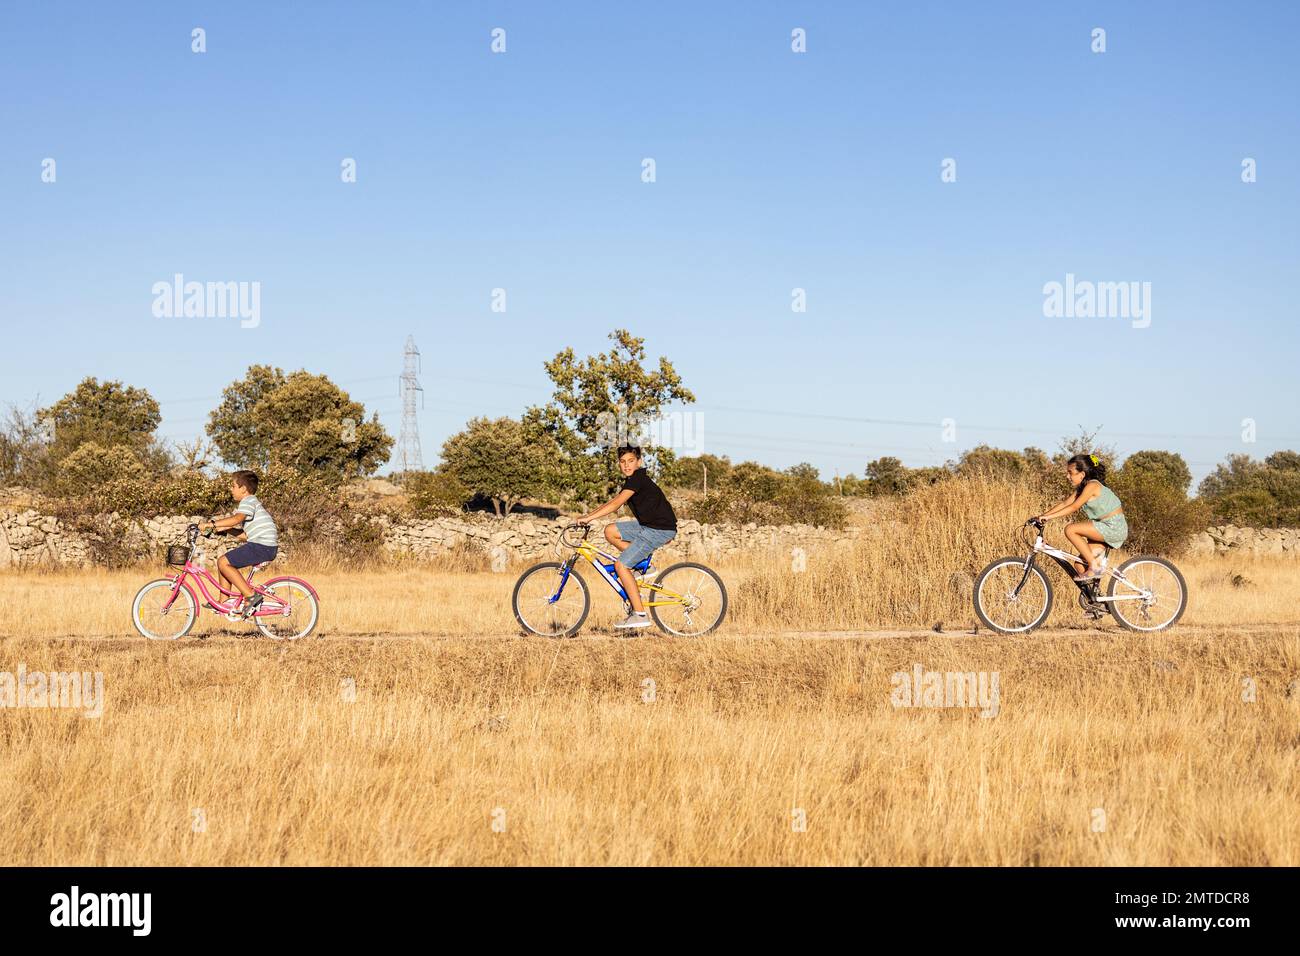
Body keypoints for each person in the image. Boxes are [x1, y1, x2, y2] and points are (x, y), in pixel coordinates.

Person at [575, 445, 678, 630]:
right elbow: (611, 502)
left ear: (638, 462)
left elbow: (615, 504)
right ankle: (643, 566)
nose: (627, 465)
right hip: (648, 526)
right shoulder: (632, 480)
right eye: (623, 462)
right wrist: (588, 515)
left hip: (659, 529)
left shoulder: (638, 478)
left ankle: (639, 615)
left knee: (621, 565)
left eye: (631, 461)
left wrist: (588, 518)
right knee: (610, 531)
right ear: (619, 464)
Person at [199, 470, 279, 618]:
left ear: (243, 489)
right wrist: (227, 529)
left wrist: (211, 524)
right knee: (222, 561)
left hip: (263, 546)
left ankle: (250, 595)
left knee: (224, 562)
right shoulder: (251, 503)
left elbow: (236, 518)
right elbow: (246, 536)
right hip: (263, 545)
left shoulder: (248, 501)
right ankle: (223, 601)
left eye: (233, 486)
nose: (231, 489)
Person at [1034, 453, 1127, 581]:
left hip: (1113, 527)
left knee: (1070, 529)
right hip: (1105, 528)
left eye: (1070, 473)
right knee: (1079, 564)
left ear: (1082, 474)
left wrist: (1048, 518)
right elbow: (1065, 503)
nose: (1067, 476)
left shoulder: (1092, 486)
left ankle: (1095, 567)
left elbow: (1073, 507)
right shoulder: (1082, 489)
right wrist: (1042, 516)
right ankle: (1094, 598)